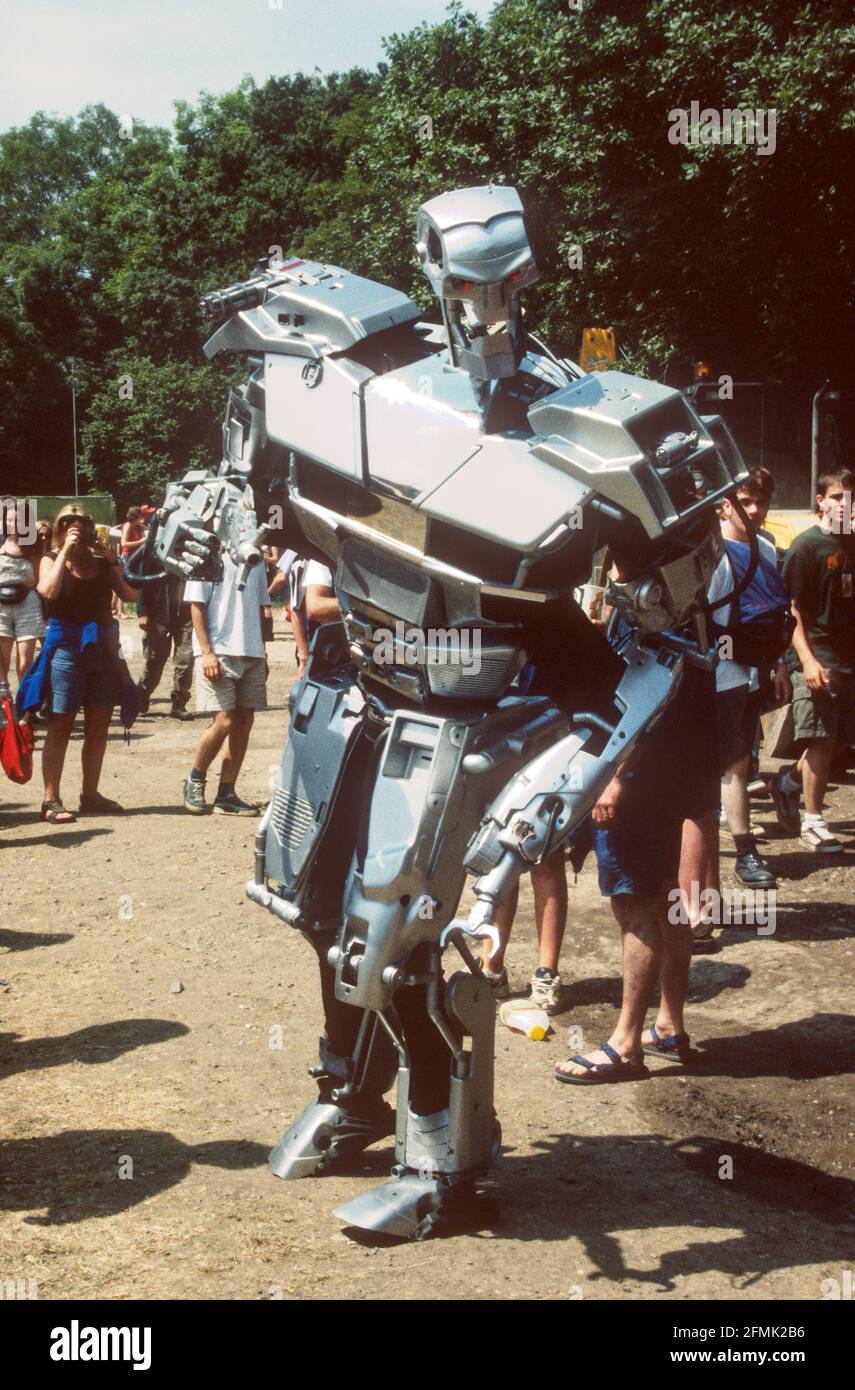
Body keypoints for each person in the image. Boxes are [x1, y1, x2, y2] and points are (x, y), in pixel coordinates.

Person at [16, 505, 140, 823]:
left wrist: (111, 557)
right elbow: (48, 592)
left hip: (103, 650)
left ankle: (91, 794)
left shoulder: (102, 562)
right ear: (59, 530)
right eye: (69, 525)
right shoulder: (49, 559)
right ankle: (51, 799)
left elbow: (129, 595)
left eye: (82, 524)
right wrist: (65, 552)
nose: (77, 529)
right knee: (61, 724)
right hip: (66, 650)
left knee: (98, 726)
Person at [709, 468, 789, 888]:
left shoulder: (765, 547)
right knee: (732, 765)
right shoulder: (714, 553)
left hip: (750, 673)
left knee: (740, 763)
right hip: (722, 676)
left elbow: (773, 612)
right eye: (746, 501)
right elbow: (700, 626)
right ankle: (744, 853)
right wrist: (733, 658)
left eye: (762, 501)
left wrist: (773, 663)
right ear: (726, 503)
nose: (756, 510)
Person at [771, 468, 855, 852]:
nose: (844, 504)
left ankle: (787, 784)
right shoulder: (805, 546)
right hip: (818, 654)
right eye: (836, 497)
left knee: (841, 741)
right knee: (820, 738)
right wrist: (805, 660)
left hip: (848, 655)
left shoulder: (851, 544)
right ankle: (813, 821)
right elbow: (790, 609)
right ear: (820, 501)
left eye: (849, 497)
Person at [182, 549, 270, 815]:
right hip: (219, 651)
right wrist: (206, 652)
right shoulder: (206, 554)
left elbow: (262, 606)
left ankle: (226, 794)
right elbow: (196, 605)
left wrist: (262, 651)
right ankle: (195, 780)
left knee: (244, 722)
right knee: (224, 721)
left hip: (251, 651)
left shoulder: (256, 559)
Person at [0, 499, 47, 693]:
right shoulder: (0, 541)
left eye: (18, 520)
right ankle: (4, 701)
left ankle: (26, 704)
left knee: (24, 663)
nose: (13, 524)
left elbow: (39, 579)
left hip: (28, 604)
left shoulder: (34, 545)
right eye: (9, 520)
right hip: (1, 605)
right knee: (2, 661)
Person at [135, 573, 194, 720]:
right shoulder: (156, 551)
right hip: (158, 614)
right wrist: (142, 612)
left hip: (187, 615)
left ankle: (179, 704)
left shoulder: (198, 552)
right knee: (154, 660)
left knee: (185, 661)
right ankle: (142, 694)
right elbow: (144, 581)